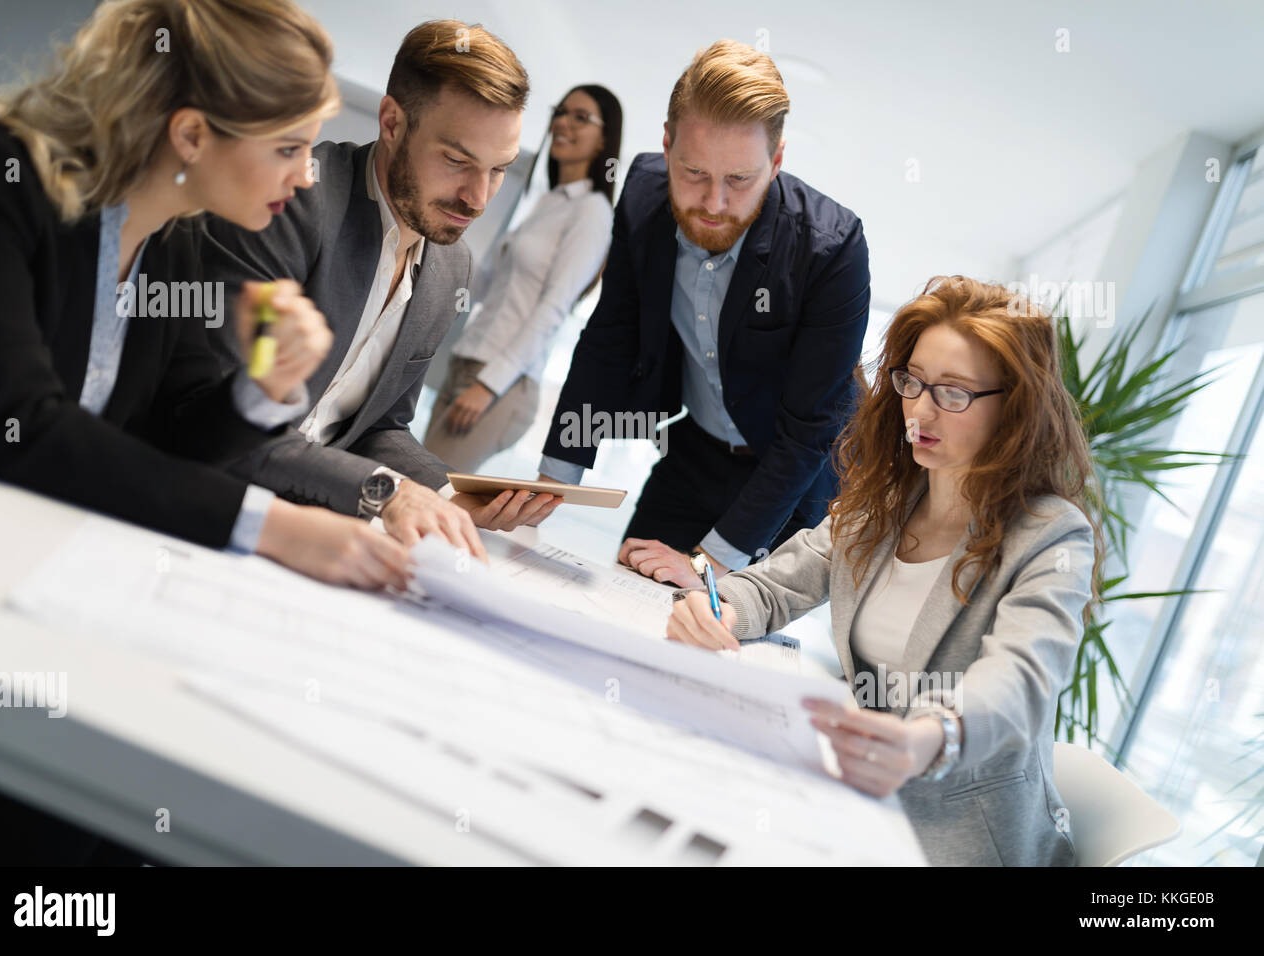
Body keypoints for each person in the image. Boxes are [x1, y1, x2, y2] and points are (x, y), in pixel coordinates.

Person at [0, 0, 420, 863]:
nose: (308, 176)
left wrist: (255, 393)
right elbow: (19, 428)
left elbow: (150, 449)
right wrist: (272, 525)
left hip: (27, 603)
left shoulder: (171, 246)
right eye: (288, 148)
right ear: (190, 135)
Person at [666, 275, 1105, 866]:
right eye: (912, 382)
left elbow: (1021, 679)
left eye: (953, 393)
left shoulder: (1051, 534)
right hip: (852, 806)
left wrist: (930, 738)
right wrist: (717, 608)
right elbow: (774, 585)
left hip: (961, 841)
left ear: (1015, 407)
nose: (920, 410)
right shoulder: (883, 504)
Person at [191, 19, 560, 553]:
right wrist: (387, 492)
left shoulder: (450, 267)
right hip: (209, 502)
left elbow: (380, 425)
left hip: (313, 526)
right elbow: (231, 415)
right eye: (456, 161)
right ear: (391, 122)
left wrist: (449, 490)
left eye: (499, 169)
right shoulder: (292, 203)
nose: (478, 198)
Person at [536, 39, 870, 590]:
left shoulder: (831, 249)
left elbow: (811, 431)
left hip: (788, 482)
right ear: (666, 146)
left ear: (777, 162)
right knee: (626, 593)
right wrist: (552, 482)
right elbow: (610, 338)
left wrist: (707, 567)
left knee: (714, 638)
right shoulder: (642, 193)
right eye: (693, 172)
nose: (713, 203)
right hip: (693, 452)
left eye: (739, 180)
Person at [424, 83, 622, 472]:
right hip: (467, 362)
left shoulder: (592, 211)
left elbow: (553, 307)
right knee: (415, 489)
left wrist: (488, 386)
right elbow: (485, 285)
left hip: (501, 385)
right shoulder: (546, 202)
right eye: (560, 112)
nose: (564, 122)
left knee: (428, 493)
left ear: (604, 140)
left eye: (581, 117)